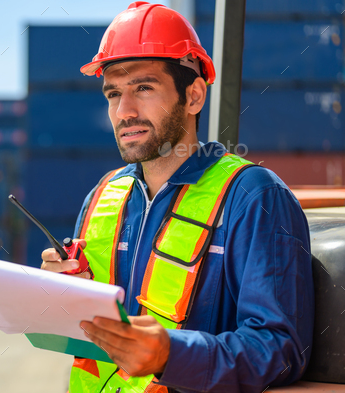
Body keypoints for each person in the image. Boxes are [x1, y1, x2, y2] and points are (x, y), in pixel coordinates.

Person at [40, 2, 314, 392]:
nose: (124, 111)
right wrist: (60, 292)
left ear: (195, 96)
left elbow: (281, 350)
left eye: (144, 88)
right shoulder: (102, 196)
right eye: (113, 93)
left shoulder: (253, 198)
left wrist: (171, 354)